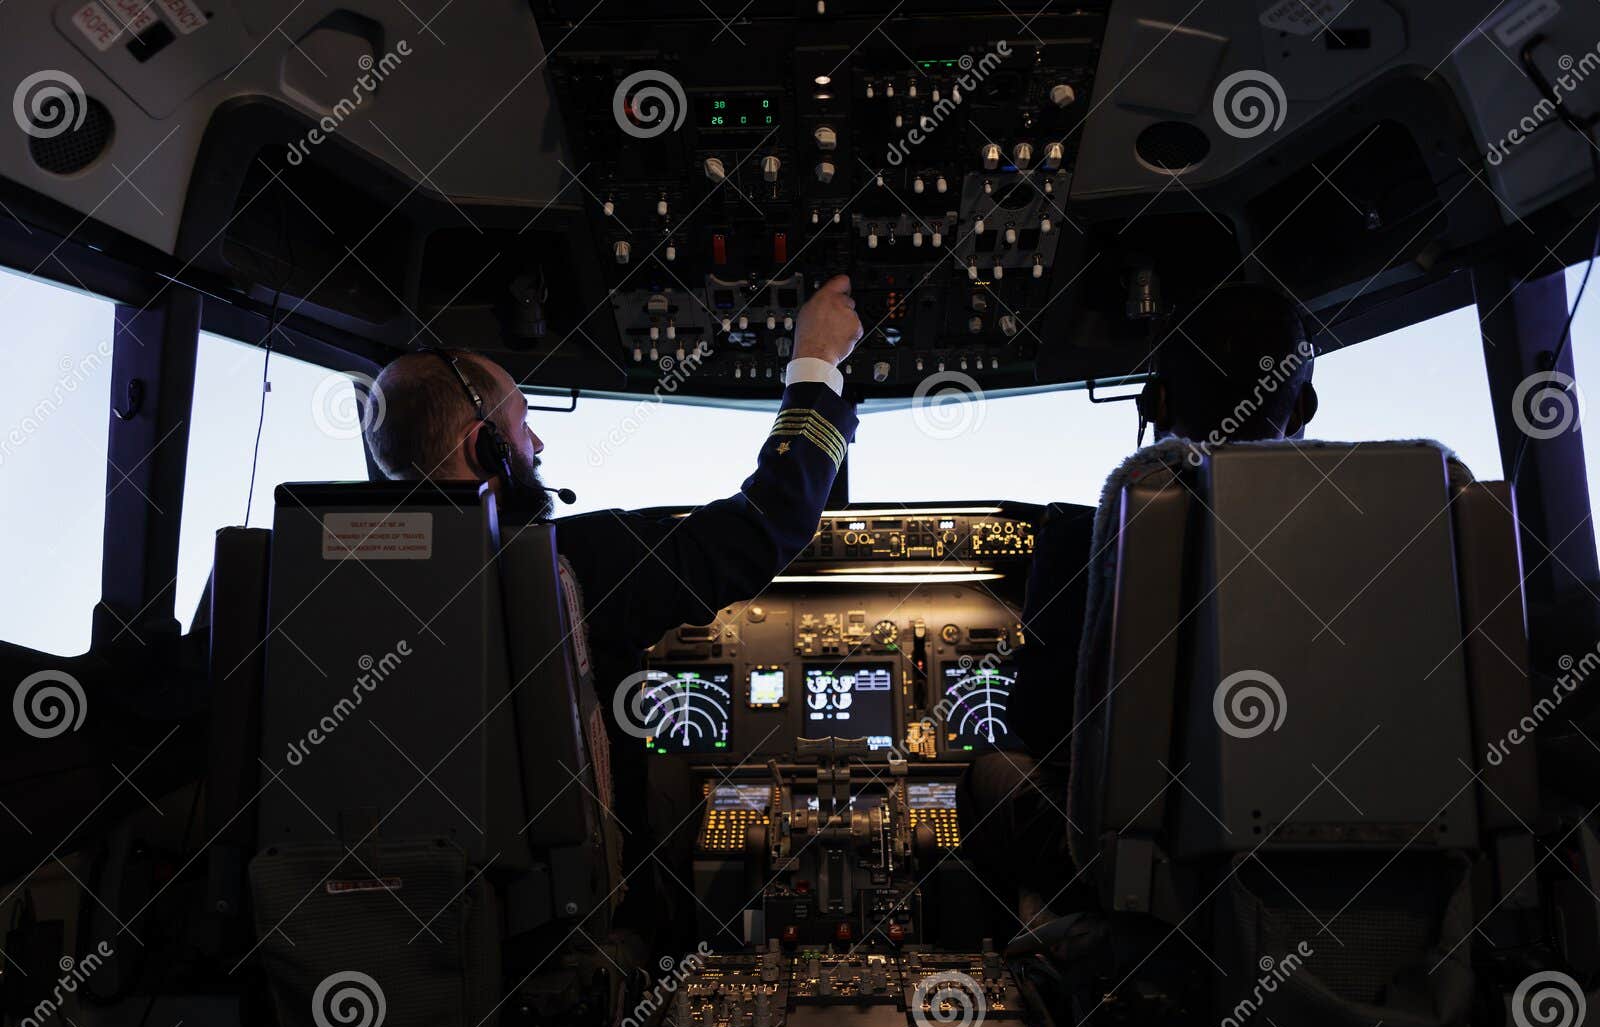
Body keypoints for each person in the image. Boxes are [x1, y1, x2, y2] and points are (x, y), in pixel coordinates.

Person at [357, 273, 863, 910]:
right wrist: (814, 364)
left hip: (394, 914)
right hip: (573, 925)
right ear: (482, 447)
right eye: (521, 425)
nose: (536, 444)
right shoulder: (569, 569)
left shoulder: (320, 590)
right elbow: (764, 527)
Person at [964, 282, 1319, 924]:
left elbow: (1045, 731)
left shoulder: (1095, 541)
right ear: (1307, 406)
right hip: (1335, 857)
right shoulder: (1393, 525)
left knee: (992, 771)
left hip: (1148, 872)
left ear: (1154, 400)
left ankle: (1058, 953)